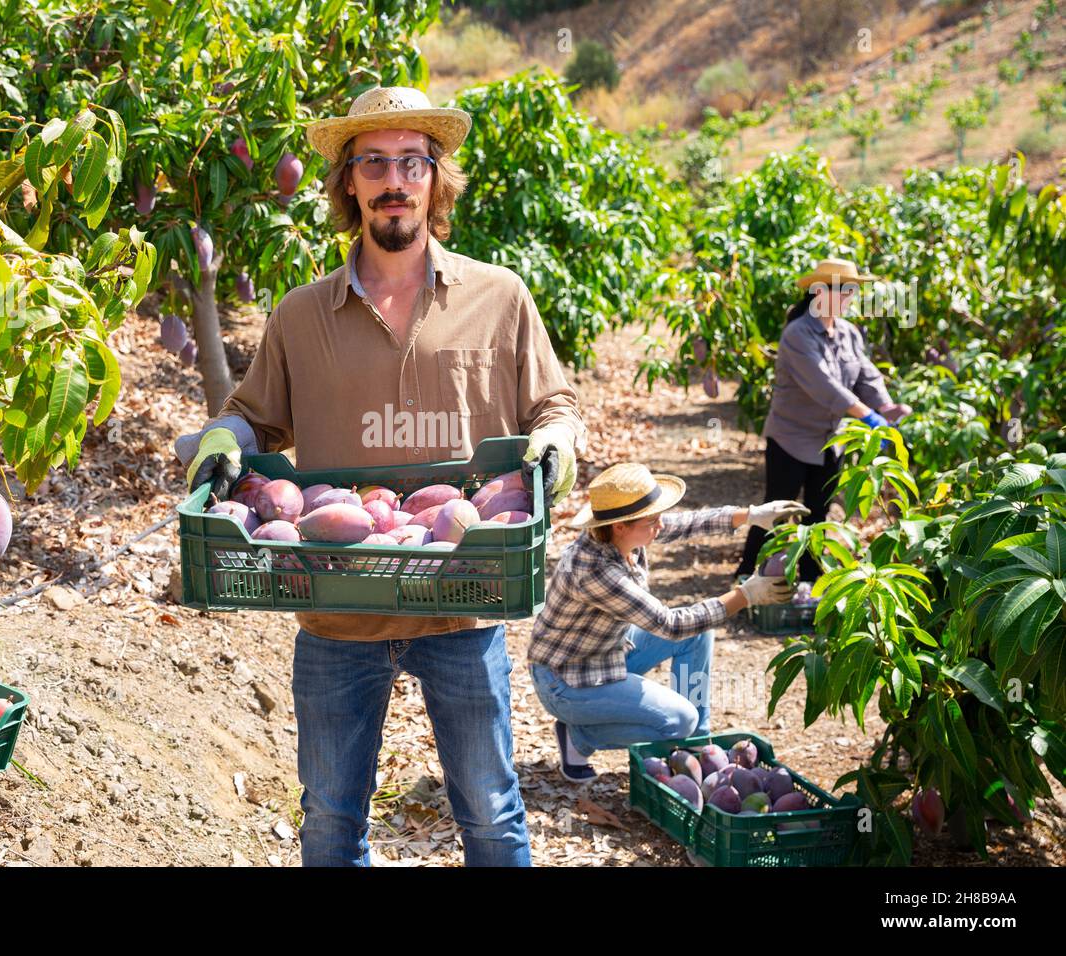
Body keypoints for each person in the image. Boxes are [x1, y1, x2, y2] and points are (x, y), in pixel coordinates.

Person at [175, 86, 588, 866]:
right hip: (337, 608)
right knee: (330, 823)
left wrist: (556, 447)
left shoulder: (499, 298)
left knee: (494, 818)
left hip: (462, 600)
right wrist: (220, 441)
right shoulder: (302, 314)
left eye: (411, 161)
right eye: (373, 163)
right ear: (349, 184)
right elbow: (254, 417)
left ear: (435, 179)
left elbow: (553, 404)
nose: (394, 179)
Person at [529, 462, 801, 782]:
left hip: (606, 652)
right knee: (677, 720)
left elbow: (687, 524)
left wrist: (752, 515)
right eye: (653, 520)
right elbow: (670, 625)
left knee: (699, 634)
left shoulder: (626, 535)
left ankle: (698, 743)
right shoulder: (595, 571)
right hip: (567, 680)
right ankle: (580, 738)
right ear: (620, 526)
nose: (660, 526)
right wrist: (746, 595)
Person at [735, 258, 907, 583]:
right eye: (846, 291)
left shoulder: (848, 333)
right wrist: (868, 416)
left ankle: (810, 580)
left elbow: (866, 375)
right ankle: (746, 572)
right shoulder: (798, 335)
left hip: (830, 441)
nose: (851, 298)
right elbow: (823, 386)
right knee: (776, 509)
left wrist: (887, 407)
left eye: (852, 291)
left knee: (818, 513)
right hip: (792, 438)